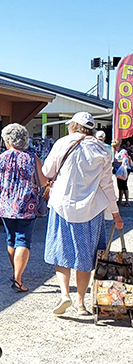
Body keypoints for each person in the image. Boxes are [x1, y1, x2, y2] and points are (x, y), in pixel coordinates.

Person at [43, 111, 123, 317]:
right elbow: (107, 184)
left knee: (61, 251)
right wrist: (115, 213)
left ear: (73, 126)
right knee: (85, 256)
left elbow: (47, 171)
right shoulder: (103, 149)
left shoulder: (62, 143)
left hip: (62, 205)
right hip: (91, 210)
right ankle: (80, 304)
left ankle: (64, 294)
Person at [0, 124, 46, 292]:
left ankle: (15, 274)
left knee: (11, 239)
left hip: (6, 205)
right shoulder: (33, 158)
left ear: (8, 140)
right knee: (23, 240)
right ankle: (18, 280)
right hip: (28, 204)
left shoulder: (1, 158)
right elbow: (42, 181)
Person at [111, 139, 131, 206]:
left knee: (124, 185)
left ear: (118, 145)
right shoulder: (116, 152)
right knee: (119, 185)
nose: (114, 148)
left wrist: (116, 162)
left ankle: (127, 201)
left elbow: (125, 160)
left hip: (124, 169)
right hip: (118, 170)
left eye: (115, 146)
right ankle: (120, 200)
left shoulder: (123, 151)